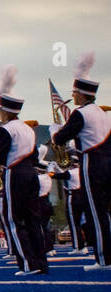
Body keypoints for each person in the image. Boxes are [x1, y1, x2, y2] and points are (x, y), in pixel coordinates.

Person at [0, 65, 47, 275]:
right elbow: (35, 156)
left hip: (15, 174)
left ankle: (28, 264)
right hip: (31, 173)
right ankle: (41, 263)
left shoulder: (5, 129)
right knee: (33, 220)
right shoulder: (28, 129)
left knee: (14, 220)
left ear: (5, 110)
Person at [50, 52, 110, 270]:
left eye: (74, 92)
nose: (72, 95)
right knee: (106, 212)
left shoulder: (80, 113)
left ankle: (104, 259)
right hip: (107, 164)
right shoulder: (103, 114)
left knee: (96, 212)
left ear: (82, 94)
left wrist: (55, 131)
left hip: (92, 164)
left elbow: (61, 139)